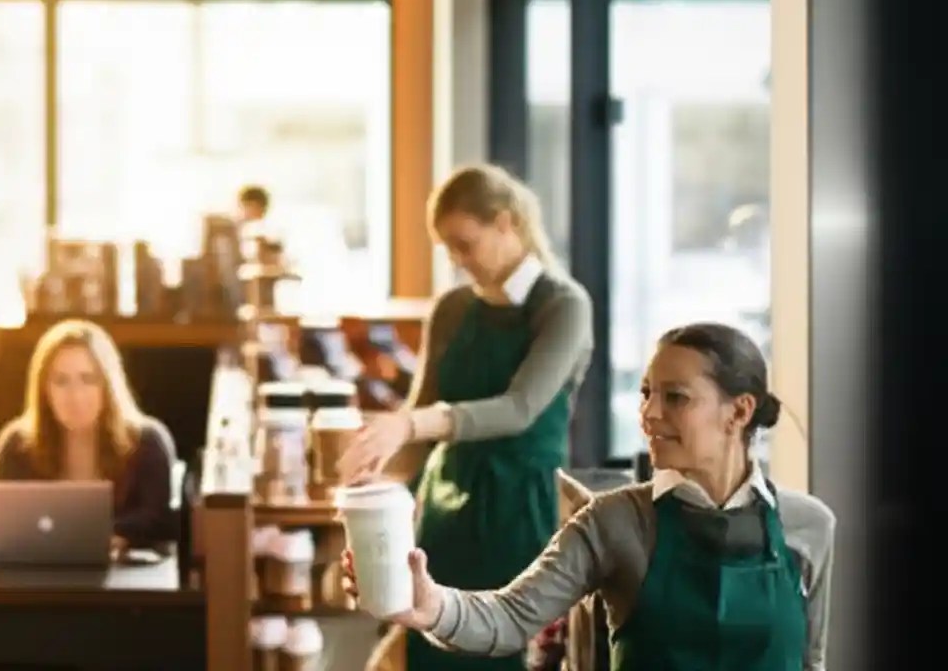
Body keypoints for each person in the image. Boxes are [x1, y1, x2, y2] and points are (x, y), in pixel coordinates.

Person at [342, 323, 837, 671]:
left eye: (675, 397)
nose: (649, 413)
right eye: (645, 393)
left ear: (739, 412)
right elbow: (509, 618)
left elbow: (811, 661)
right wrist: (428, 607)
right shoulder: (614, 521)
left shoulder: (808, 526)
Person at [336, 163, 594, 670]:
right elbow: (422, 410)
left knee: (502, 648)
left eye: (465, 244)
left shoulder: (563, 306)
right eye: (448, 249)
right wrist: (375, 482)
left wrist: (409, 424)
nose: (457, 261)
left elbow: (519, 409)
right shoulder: (453, 308)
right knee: (422, 639)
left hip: (522, 513)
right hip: (445, 506)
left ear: (505, 223)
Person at [0, 319, 176, 551]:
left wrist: (102, 538)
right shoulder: (17, 443)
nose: (75, 396)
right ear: (44, 390)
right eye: (61, 381)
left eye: (88, 380)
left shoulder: (147, 441)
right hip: (38, 576)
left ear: (108, 386)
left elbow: (158, 520)